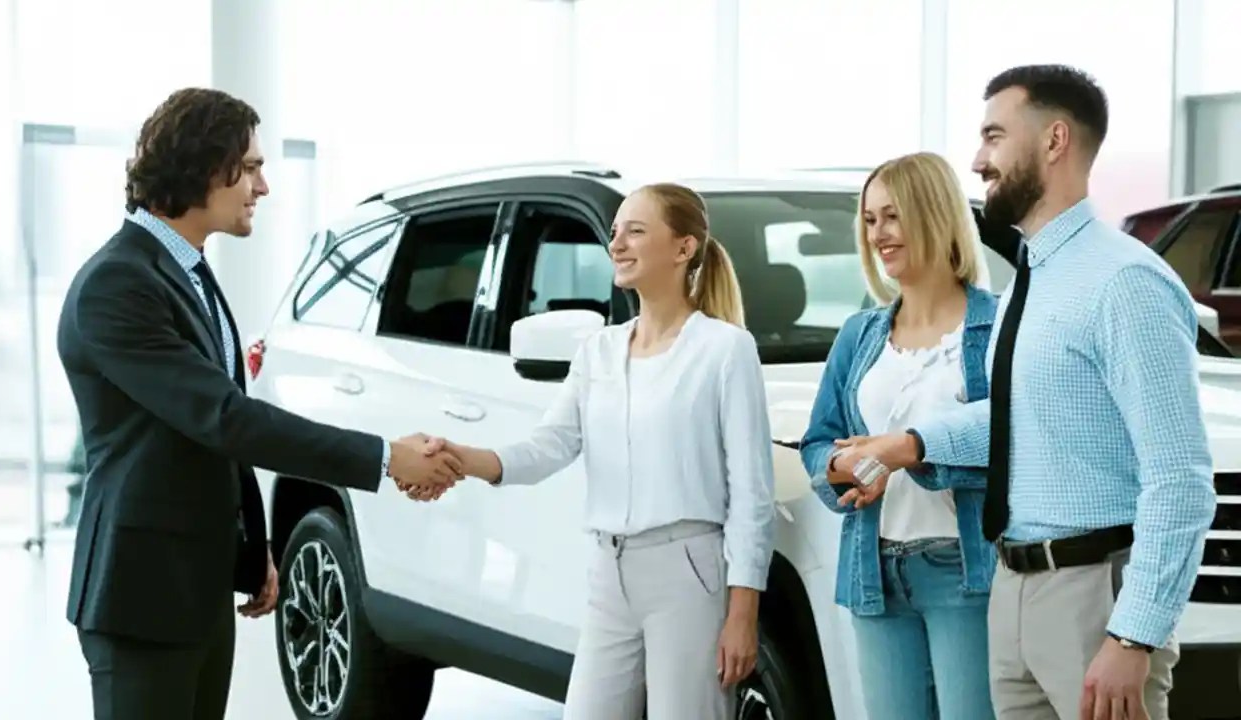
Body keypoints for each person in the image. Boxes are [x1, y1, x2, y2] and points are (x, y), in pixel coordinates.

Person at [56, 87, 462, 720]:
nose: (263, 186)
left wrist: (252, 547)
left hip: (196, 581)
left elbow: (216, 424)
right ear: (199, 165)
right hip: (140, 592)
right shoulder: (118, 282)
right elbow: (223, 417)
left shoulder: (184, 269)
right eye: (249, 167)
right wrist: (384, 459)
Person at [831, 65, 1216, 720]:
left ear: (1054, 140)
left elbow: (1181, 480)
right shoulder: (1033, 279)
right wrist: (911, 444)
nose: (979, 160)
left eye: (993, 136)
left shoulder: (1123, 282)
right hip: (1012, 590)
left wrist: (1134, 633)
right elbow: (1017, 420)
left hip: (1092, 597)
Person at [401, 183, 776, 720]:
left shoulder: (724, 350)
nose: (616, 243)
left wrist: (743, 612)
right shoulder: (599, 350)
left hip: (688, 572)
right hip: (609, 570)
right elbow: (550, 445)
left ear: (684, 247)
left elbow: (752, 494)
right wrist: (462, 457)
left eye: (636, 231)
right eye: (616, 231)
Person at [799, 151, 998, 720]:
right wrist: (854, 468)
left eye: (892, 216)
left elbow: (1009, 440)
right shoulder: (860, 334)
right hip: (874, 572)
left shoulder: (996, 326)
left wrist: (906, 453)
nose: (878, 234)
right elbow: (821, 442)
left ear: (935, 213)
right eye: (869, 220)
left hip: (966, 570)